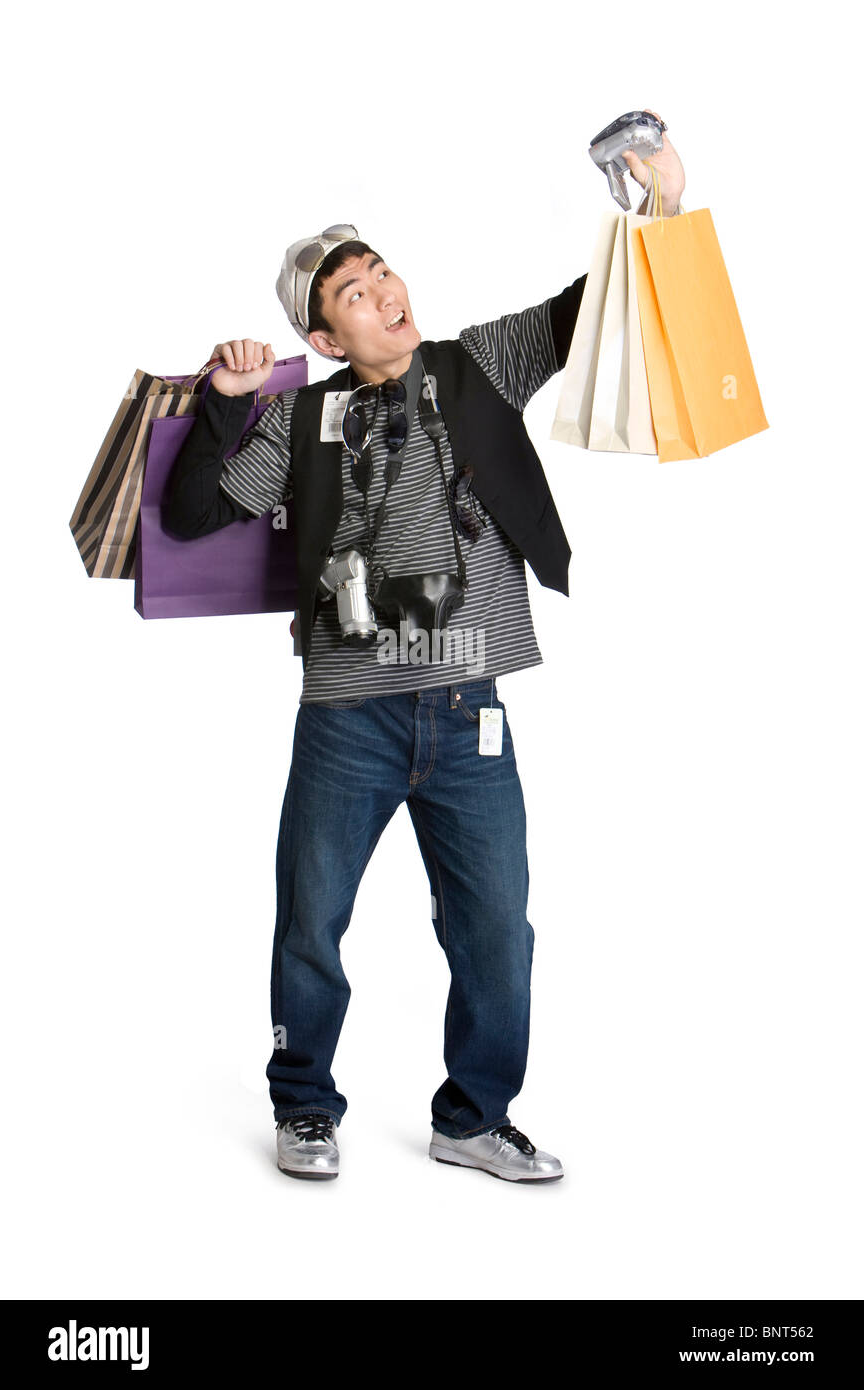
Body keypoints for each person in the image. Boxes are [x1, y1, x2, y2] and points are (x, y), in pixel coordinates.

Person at [165, 120, 685, 1184]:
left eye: (380, 269)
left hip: (467, 711)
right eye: (351, 291)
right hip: (346, 714)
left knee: (497, 931)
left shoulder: (476, 363)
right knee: (310, 922)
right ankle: (303, 1105)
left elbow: (587, 314)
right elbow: (187, 517)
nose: (381, 289)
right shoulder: (300, 419)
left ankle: (472, 1114)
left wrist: (658, 212)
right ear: (323, 336)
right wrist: (221, 406)